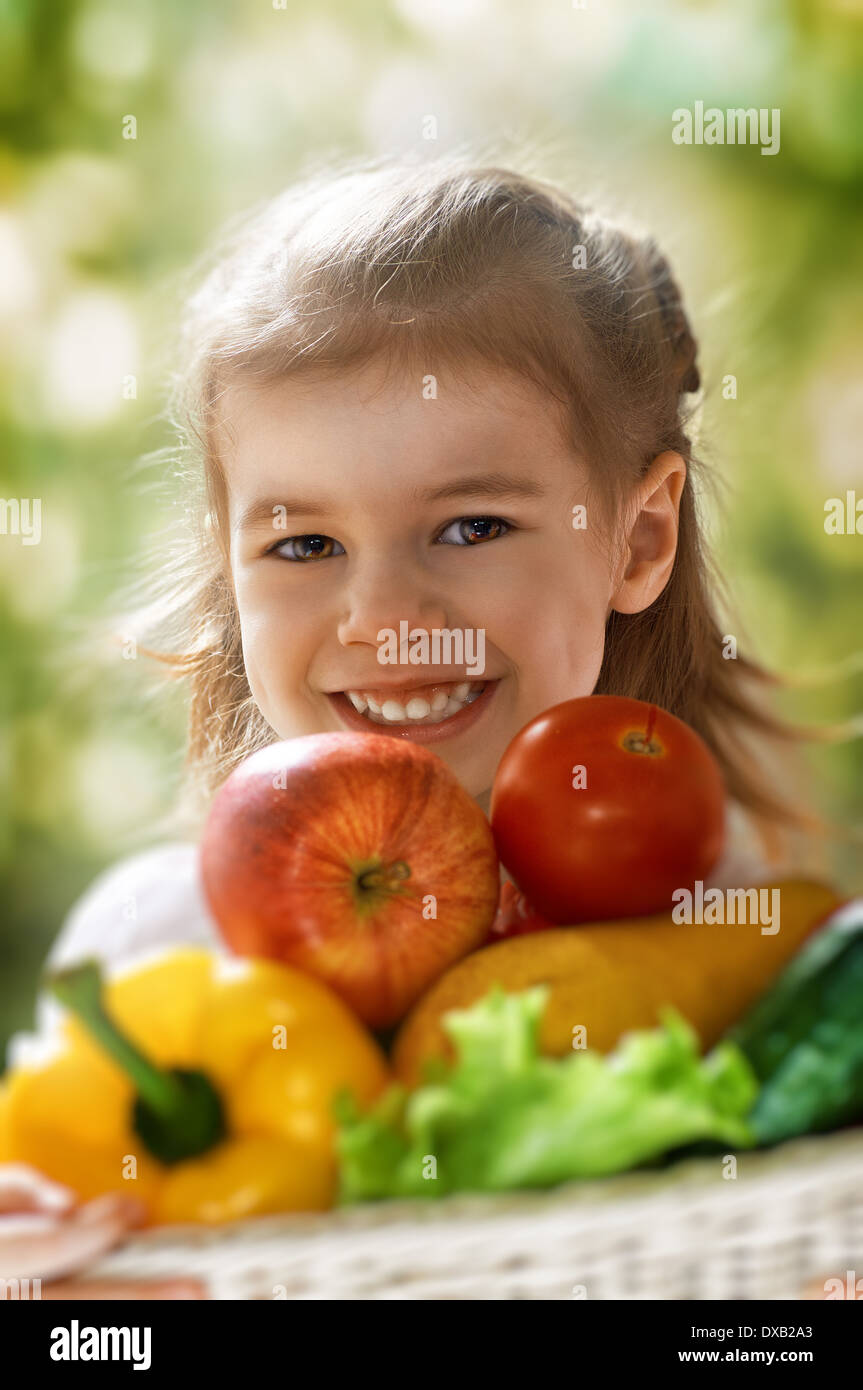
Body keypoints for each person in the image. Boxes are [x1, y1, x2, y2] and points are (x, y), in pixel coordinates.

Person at [1, 154, 824, 1297]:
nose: (386, 619)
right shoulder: (152, 955)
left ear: (636, 542)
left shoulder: (716, 914)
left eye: (471, 525)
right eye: (303, 546)